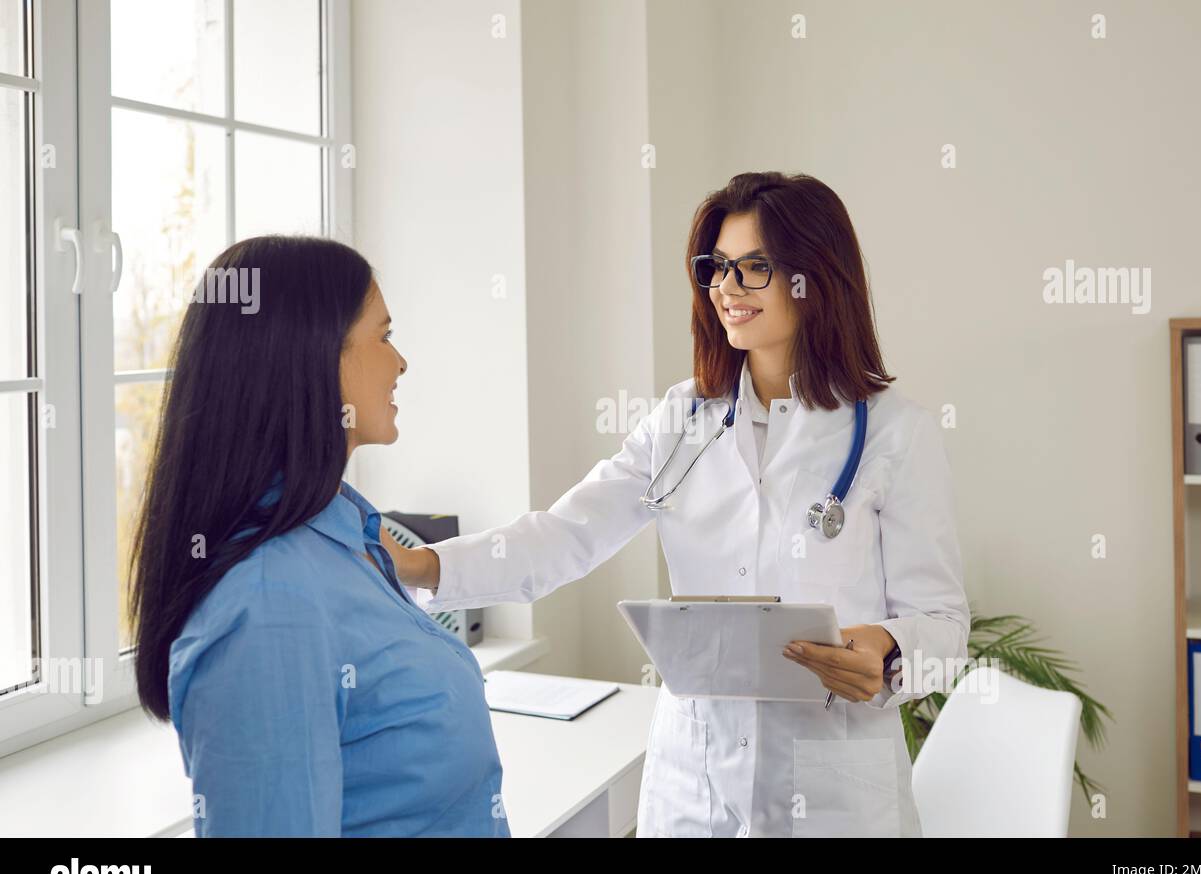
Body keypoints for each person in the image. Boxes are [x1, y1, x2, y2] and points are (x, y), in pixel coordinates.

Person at [385, 172, 971, 837]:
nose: (727, 289)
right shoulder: (681, 419)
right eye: (717, 268)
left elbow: (945, 625)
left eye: (755, 268)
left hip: (833, 788)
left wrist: (890, 648)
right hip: (694, 778)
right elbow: (564, 536)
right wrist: (423, 567)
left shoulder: (895, 432)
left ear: (816, 277)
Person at [129, 235, 509, 837]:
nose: (401, 362)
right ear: (312, 358)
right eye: (383, 337)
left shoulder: (348, 539)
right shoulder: (268, 604)